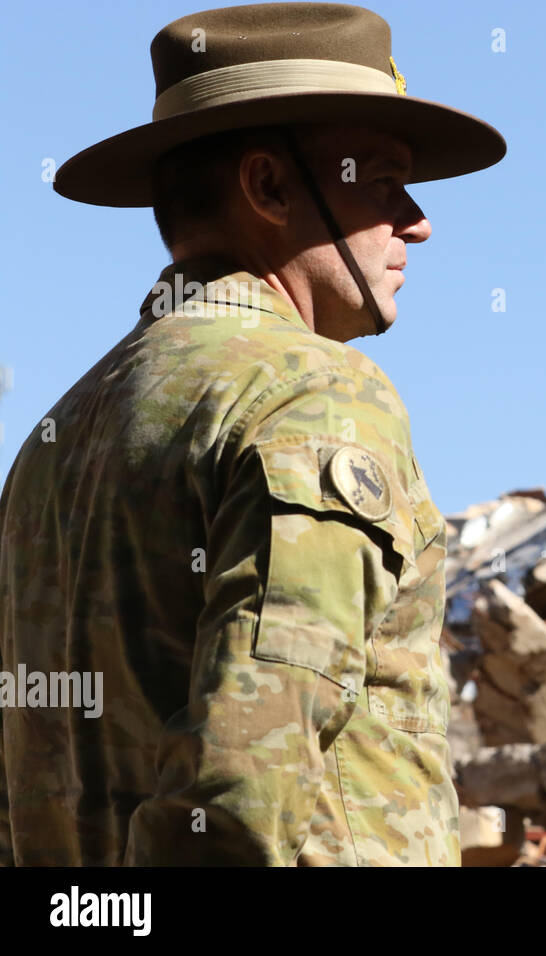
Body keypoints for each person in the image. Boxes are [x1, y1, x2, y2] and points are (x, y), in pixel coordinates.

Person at [0, 3, 505, 866]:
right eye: (381, 179)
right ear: (269, 188)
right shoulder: (314, 391)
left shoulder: (54, 439)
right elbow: (242, 786)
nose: (416, 219)